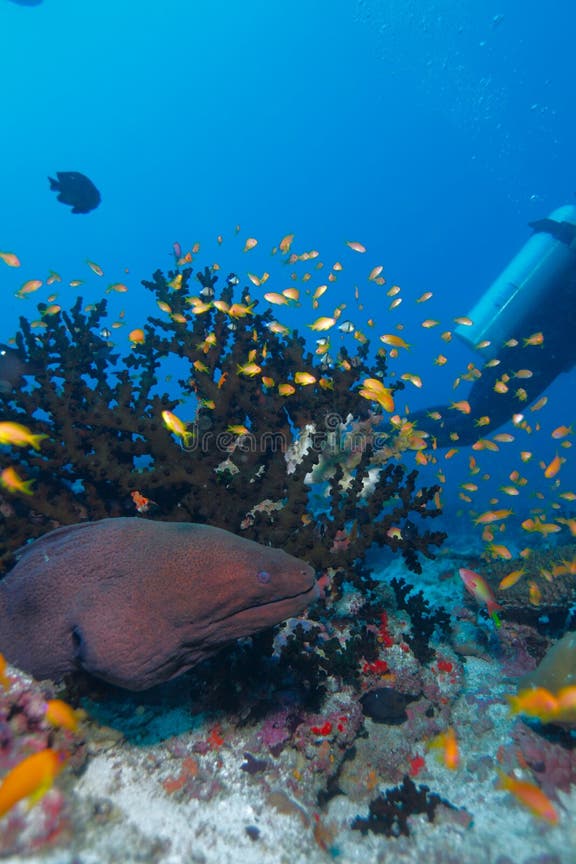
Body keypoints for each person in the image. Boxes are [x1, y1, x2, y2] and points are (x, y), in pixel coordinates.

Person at [408, 204, 576, 447]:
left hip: (538, 348)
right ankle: (369, 443)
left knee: (469, 418)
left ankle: (371, 439)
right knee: (470, 425)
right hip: (539, 350)